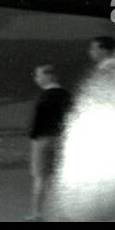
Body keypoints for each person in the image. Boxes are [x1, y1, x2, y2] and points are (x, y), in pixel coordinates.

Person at [27, 64, 71, 220]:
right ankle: (61, 214)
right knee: (59, 178)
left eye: (39, 75)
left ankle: (37, 213)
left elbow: (37, 121)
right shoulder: (66, 95)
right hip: (62, 140)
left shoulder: (44, 96)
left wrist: (32, 135)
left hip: (43, 140)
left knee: (40, 177)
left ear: (49, 76)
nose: (37, 79)